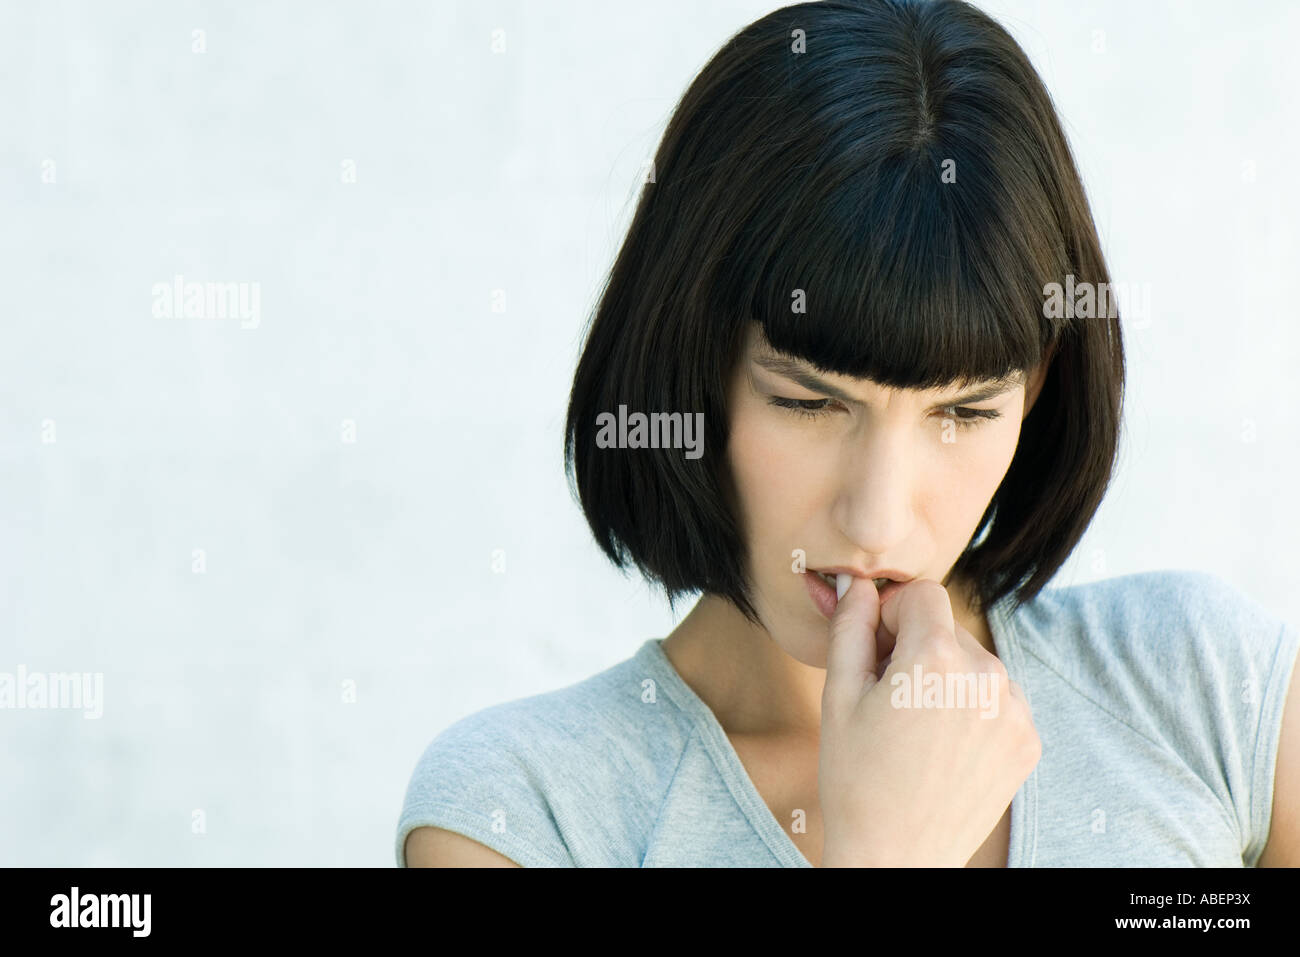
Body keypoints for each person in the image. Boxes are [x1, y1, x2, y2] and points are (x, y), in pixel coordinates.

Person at [397, 0, 1300, 867]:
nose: (876, 520)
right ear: (690, 370)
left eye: (964, 412)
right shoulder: (525, 811)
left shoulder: (1209, 689)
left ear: (1036, 398)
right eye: (808, 401)